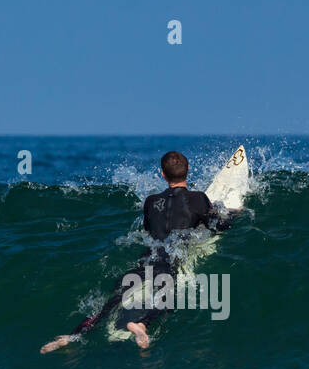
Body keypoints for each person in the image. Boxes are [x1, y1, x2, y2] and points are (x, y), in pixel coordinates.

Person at [40, 151, 231, 353]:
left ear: (163, 175)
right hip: (168, 262)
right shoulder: (199, 198)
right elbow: (217, 226)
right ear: (188, 171)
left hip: (146, 259)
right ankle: (143, 325)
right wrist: (231, 215)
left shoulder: (150, 201)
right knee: (168, 300)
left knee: (109, 304)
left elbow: (150, 231)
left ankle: (73, 335)